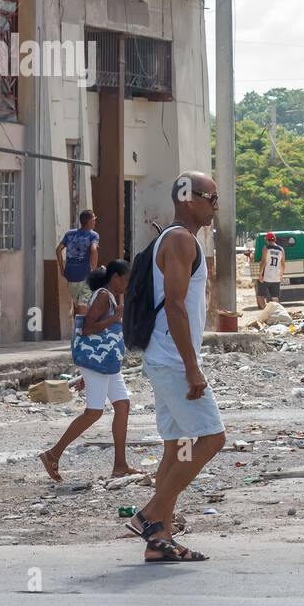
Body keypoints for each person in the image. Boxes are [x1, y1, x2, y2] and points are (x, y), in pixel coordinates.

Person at [126, 172, 225, 563]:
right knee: (213, 438)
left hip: (163, 356)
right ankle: (150, 515)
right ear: (189, 199)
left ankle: (160, 541)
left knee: (178, 445)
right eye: (211, 199)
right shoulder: (181, 240)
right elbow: (175, 304)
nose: (215, 207)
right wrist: (192, 368)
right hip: (173, 359)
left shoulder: (173, 238)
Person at [40, 261, 140, 482]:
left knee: (123, 406)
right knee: (94, 412)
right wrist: (115, 318)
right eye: (125, 279)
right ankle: (53, 454)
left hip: (107, 364)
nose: (127, 283)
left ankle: (120, 465)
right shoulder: (104, 296)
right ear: (115, 277)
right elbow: (87, 328)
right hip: (99, 363)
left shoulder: (111, 297)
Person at [56, 210, 100, 320]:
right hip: (84, 276)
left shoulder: (69, 234)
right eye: (94, 220)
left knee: (76, 306)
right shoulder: (93, 235)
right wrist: (94, 270)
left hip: (70, 277)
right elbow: (94, 250)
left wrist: (62, 269)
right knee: (83, 307)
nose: (95, 222)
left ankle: (76, 333)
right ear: (90, 222)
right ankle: (81, 334)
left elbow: (58, 249)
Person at [257, 232, 284, 307]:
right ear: (275, 239)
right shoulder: (281, 249)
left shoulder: (266, 248)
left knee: (260, 296)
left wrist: (260, 274)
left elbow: (263, 262)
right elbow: (283, 264)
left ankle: (266, 311)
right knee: (275, 297)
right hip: (276, 276)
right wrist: (281, 275)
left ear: (267, 240)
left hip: (266, 276)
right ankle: (278, 313)